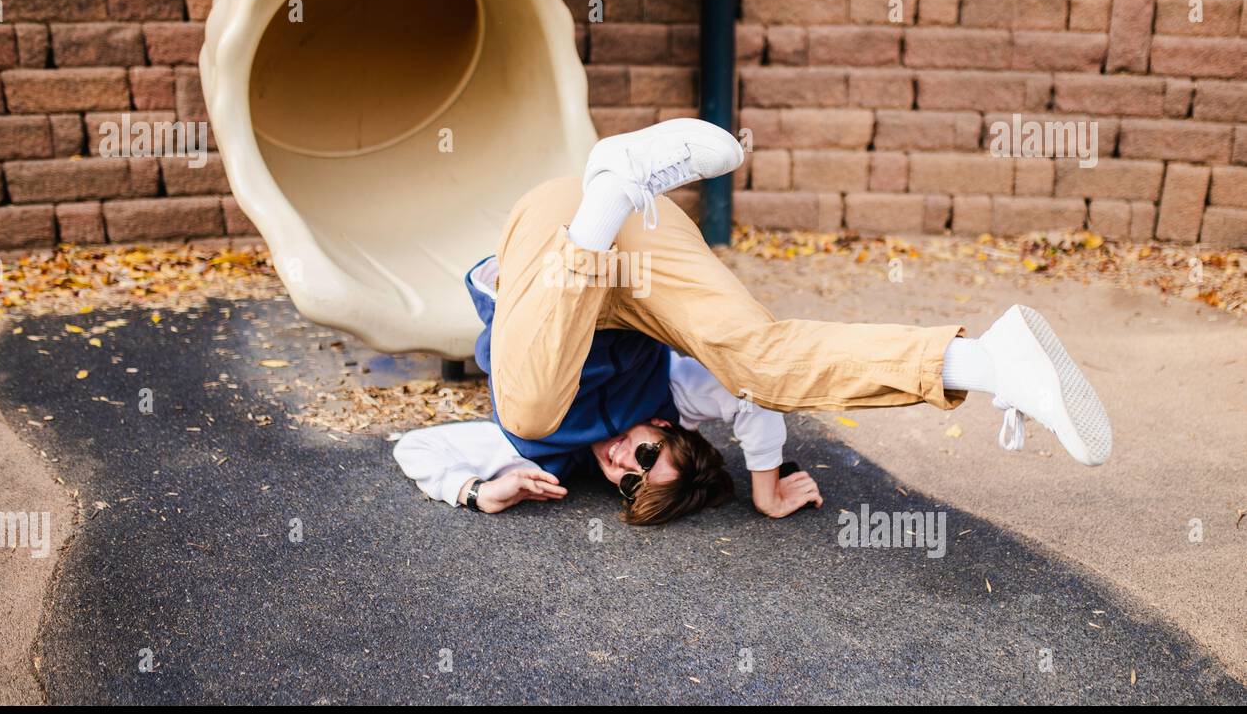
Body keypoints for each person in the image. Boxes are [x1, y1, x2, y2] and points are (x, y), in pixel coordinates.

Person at [394, 118, 1112, 525]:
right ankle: (611, 186)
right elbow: (750, 409)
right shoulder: (675, 394)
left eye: (624, 481)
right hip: (571, 226)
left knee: (534, 415)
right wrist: (763, 484)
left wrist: (479, 490)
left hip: (594, 246)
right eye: (647, 459)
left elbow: (416, 452)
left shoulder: (546, 461)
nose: (619, 463)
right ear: (670, 430)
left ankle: (989, 361)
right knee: (741, 376)